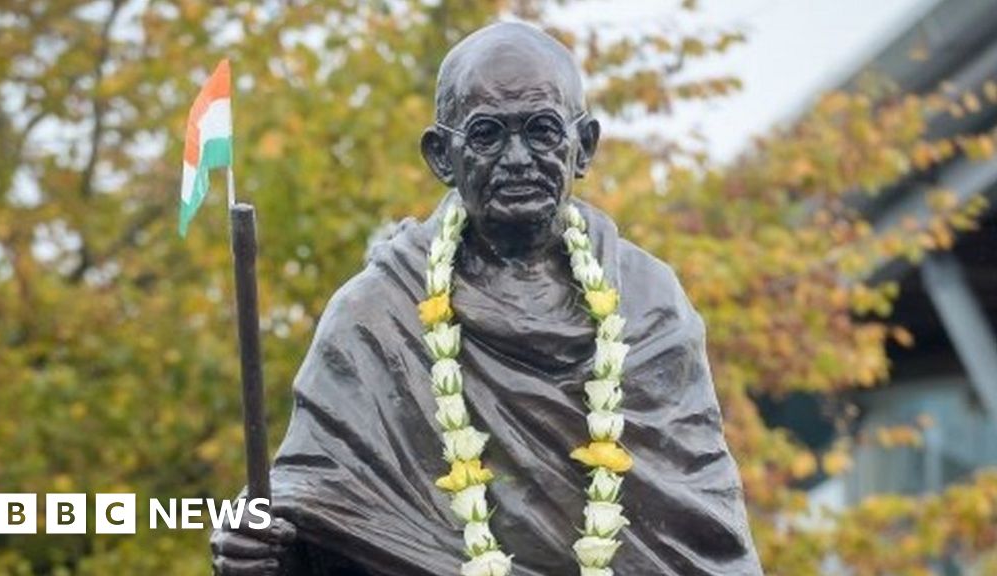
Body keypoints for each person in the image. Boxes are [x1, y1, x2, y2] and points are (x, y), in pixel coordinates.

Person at [211, 22, 763, 576]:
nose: (518, 157)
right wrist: (259, 547)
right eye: (486, 134)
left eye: (543, 130)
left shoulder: (648, 300)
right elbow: (315, 504)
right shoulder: (377, 314)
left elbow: (702, 527)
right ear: (441, 156)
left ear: (584, 147)